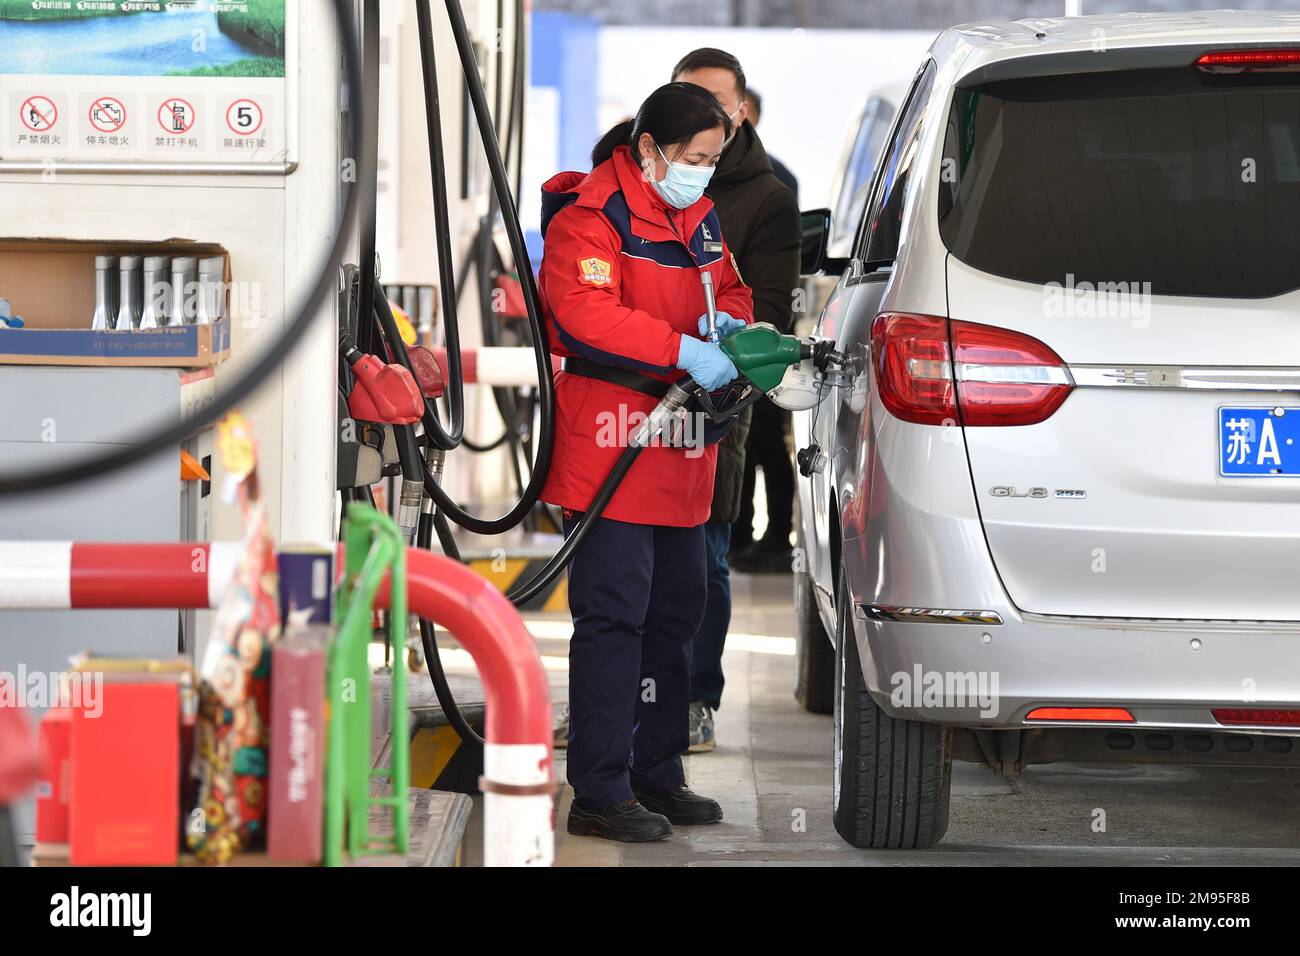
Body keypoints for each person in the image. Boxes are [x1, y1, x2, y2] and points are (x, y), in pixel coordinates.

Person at [537, 82, 754, 842]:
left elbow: (730, 286)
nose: (703, 171)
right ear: (651, 151)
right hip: (614, 446)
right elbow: (584, 313)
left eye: (713, 159)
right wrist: (681, 348)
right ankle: (600, 787)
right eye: (694, 158)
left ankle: (658, 774)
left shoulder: (696, 214)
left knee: (674, 618)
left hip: (682, 451)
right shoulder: (591, 217)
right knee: (614, 619)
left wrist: (731, 322)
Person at [670, 48, 802, 750]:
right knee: (621, 559)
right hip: (628, 392)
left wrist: (713, 355)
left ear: (739, 112)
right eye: (683, 101)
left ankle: (694, 701)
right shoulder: (641, 173)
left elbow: (770, 314)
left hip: (714, 400)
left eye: (713, 108)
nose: (696, 121)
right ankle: (624, 700)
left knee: (704, 554)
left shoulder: (767, 196)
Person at [744, 87, 799, 201]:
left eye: (745, 111)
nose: (737, 117)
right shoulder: (703, 164)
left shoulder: (780, 175)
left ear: (757, 118)